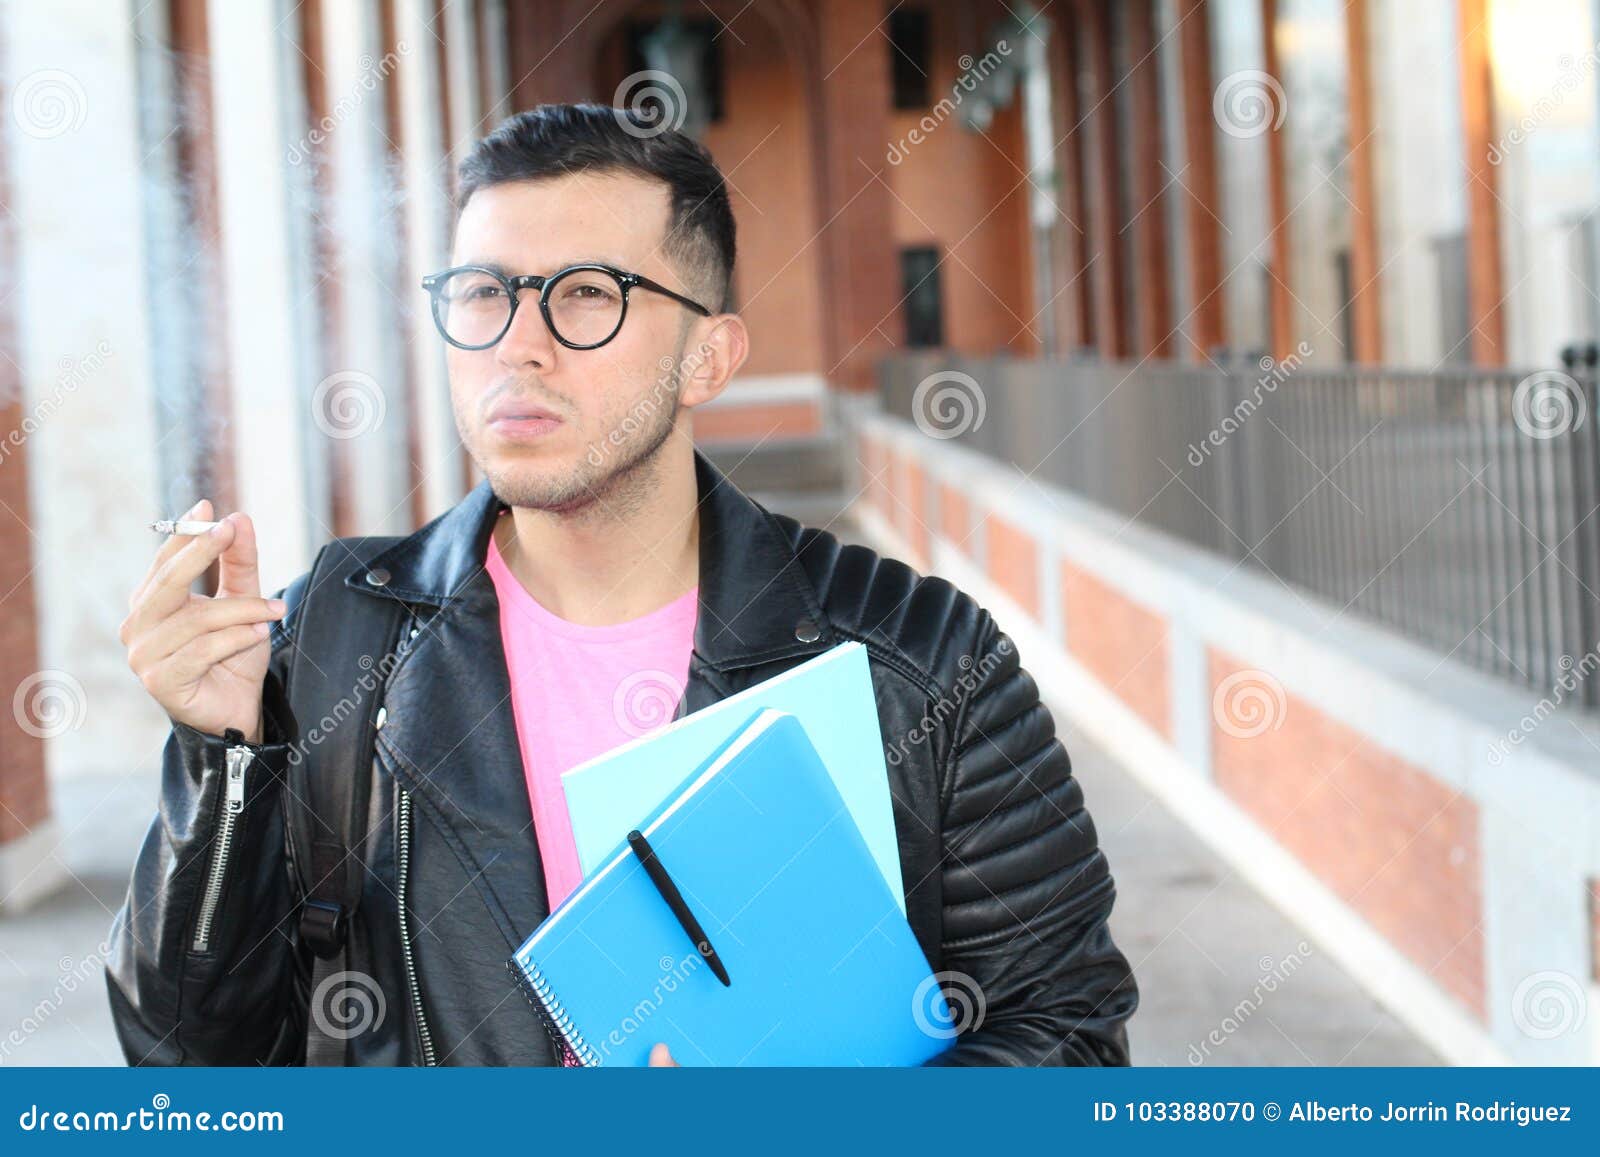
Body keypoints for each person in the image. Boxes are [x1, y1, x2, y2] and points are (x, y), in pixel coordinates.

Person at [107, 103, 1138, 1066]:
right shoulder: (335, 634)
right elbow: (186, 1052)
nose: (519, 343)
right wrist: (223, 759)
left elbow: (1071, 1037)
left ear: (709, 357)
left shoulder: (922, 658)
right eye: (482, 294)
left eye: (587, 296)